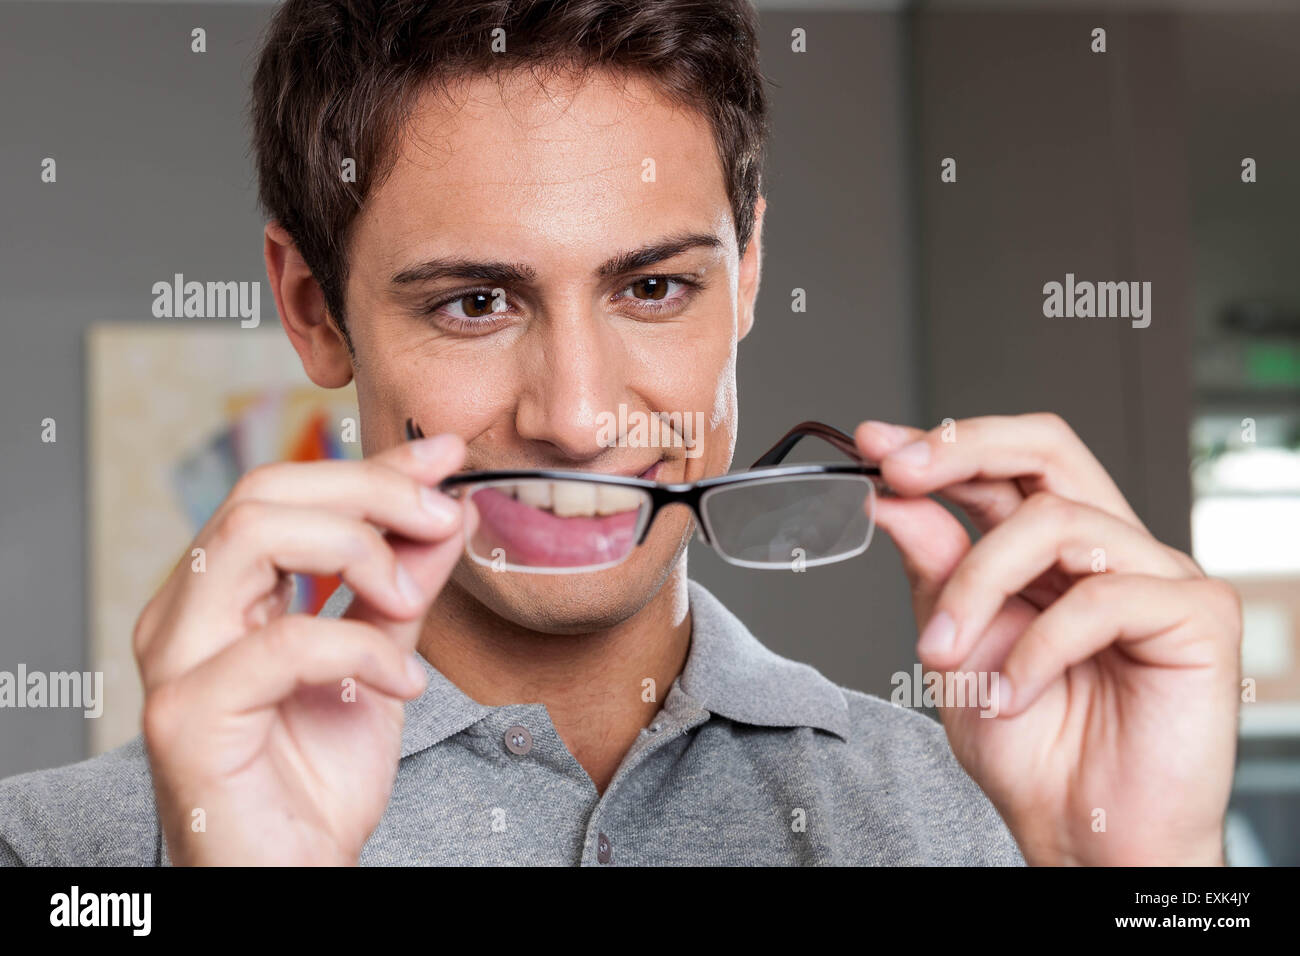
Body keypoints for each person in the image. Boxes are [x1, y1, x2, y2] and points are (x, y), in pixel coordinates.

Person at [0, 0, 1240, 866]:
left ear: (748, 270)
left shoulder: (985, 819)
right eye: (475, 301)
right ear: (314, 310)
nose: (581, 419)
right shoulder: (65, 858)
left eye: (653, 287)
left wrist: (1139, 881)